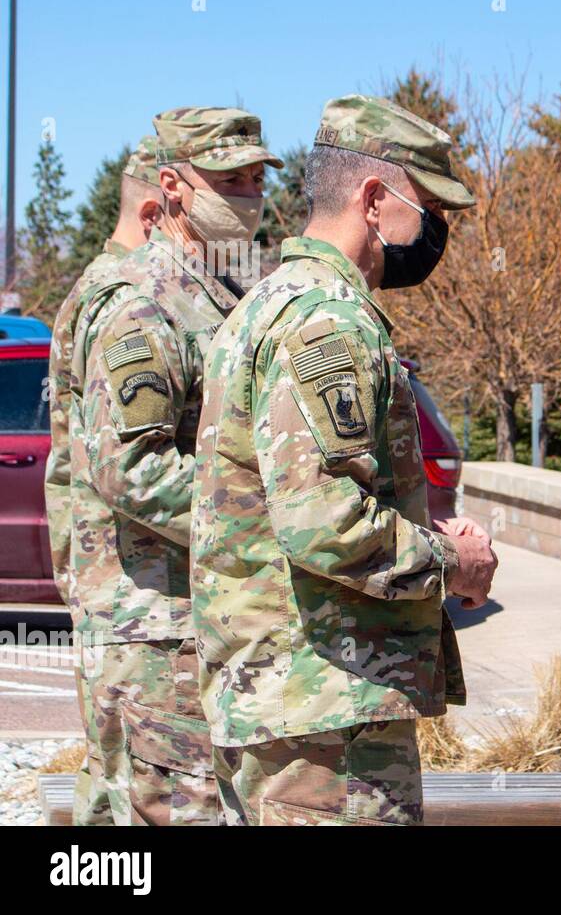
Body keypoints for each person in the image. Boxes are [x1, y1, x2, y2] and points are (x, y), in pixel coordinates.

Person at [189, 94, 499, 826]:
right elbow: (324, 521)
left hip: (284, 704)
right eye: (428, 206)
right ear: (373, 198)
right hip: (327, 711)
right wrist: (454, 563)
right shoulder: (329, 319)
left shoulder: (266, 304)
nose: (435, 230)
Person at [72, 107, 281, 824]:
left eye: (257, 177)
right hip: (153, 629)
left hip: (200, 617)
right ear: (175, 188)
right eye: (230, 179)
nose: (250, 193)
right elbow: (130, 469)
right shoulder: (141, 304)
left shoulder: (216, 291)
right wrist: (268, 514)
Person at [45, 135, 162, 825]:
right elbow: (129, 467)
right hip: (127, 587)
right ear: (155, 213)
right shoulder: (125, 300)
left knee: (111, 779)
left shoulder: (97, 290)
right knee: (136, 790)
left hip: (106, 582)